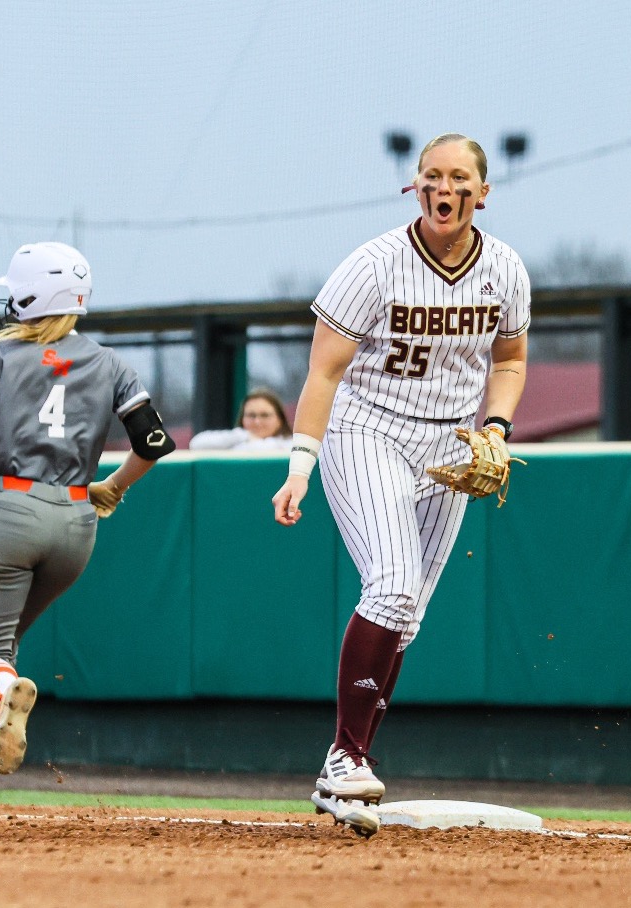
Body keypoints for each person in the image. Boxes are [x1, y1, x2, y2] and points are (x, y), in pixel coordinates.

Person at [270, 133, 530, 837]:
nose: (444, 188)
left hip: (449, 441)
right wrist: (300, 465)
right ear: (414, 187)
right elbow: (323, 373)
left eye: (458, 178)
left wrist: (498, 428)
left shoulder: (504, 268)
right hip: (369, 430)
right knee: (388, 585)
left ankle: (346, 763)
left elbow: (510, 356)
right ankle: (345, 759)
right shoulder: (375, 264)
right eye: (431, 176)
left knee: (406, 613)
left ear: (483, 192)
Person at [0, 241, 176, 808]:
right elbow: (154, 441)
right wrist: (114, 486)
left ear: (32, 294)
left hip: (11, 507)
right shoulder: (110, 362)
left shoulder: (2, 351)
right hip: (77, 521)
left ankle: (8, 692)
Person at [188, 387, 295, 451]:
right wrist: (243, 435)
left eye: (265, 415)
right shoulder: (237, 439)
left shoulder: (293, 444)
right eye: (251, 415)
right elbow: (196, 444)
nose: (257, 421)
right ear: (242, 418)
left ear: (280, 419)